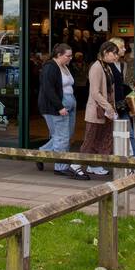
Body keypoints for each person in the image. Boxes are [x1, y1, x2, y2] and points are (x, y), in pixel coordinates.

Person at [36, 43, 89, 180]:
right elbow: (49, 89)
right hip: (57, 106)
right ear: (59, 55)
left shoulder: (64, 66)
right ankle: (60, 167)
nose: (71, 58)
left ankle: (41, 153)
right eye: (68, 56)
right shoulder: (50, 67)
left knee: (67, 135)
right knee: (62, 137)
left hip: (69, 103)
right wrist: (59, 106)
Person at [78, 41, 120, 176]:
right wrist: (109, 107)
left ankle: (94, 165)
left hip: (106, 111)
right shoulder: (96, 67)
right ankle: (76, 164)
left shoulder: (106, 66)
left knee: (103, 139)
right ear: (105, 52)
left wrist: (111, 108)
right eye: (114, 53)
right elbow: (95, 92)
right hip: (97, 110)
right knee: (90, 139)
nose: (116, 56)